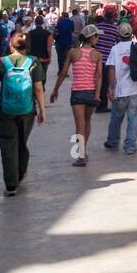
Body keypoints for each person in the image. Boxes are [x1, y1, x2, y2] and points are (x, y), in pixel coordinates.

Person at [0, 26, 46, 196]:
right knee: (21, 142)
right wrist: (42, 110)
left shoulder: (3, 62)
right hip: (27, 110)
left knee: (8, 144)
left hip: (5, 110)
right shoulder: (33, 62)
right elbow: (39, 89)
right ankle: (20, 173)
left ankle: (11, 185)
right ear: (26, 47)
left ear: (11, 46)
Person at [51, 25, 103, 167]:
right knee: (87, 122)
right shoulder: (97, 55)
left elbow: (63, 73)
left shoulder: (73, 53)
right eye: (97, 36)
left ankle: (80, 156)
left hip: (77, 93)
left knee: (79, 125)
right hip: (91, 93)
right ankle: (83, 151)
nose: (98, 39)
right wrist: (98, 94)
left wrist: (55, 90)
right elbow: (98, 76)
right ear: (91, 38)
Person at [103, 15, 137, 155]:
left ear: (119, 34)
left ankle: (112, 142)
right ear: (131, 33)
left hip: (120, 89)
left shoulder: (115, 49)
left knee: (116, 118)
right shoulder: (136, 47)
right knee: (134, 118)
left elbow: (111, 69)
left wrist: (110, 87)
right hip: (136, 89)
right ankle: (130, 146)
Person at [93, 8, 120, 113]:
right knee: (104, 82)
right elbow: (117, 43)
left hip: (96, 59)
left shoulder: (97, 27)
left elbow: (93, 41)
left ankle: (95, 101)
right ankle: (101, 105)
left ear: (104, 16)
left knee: (96, 80)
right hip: (108, 59)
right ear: (113, 17)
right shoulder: (115, 29)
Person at [27, 14, 54, 86]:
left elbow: (28, 46)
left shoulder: (30, 33)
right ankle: (41, 88)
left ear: (35, 23)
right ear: (42, 23)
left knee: (33, 74)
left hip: (32, 58)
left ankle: (34, 89)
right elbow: (49, 48)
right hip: (44, 58)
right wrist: (49, 57)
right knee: (43, 75)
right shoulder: (48, 34)